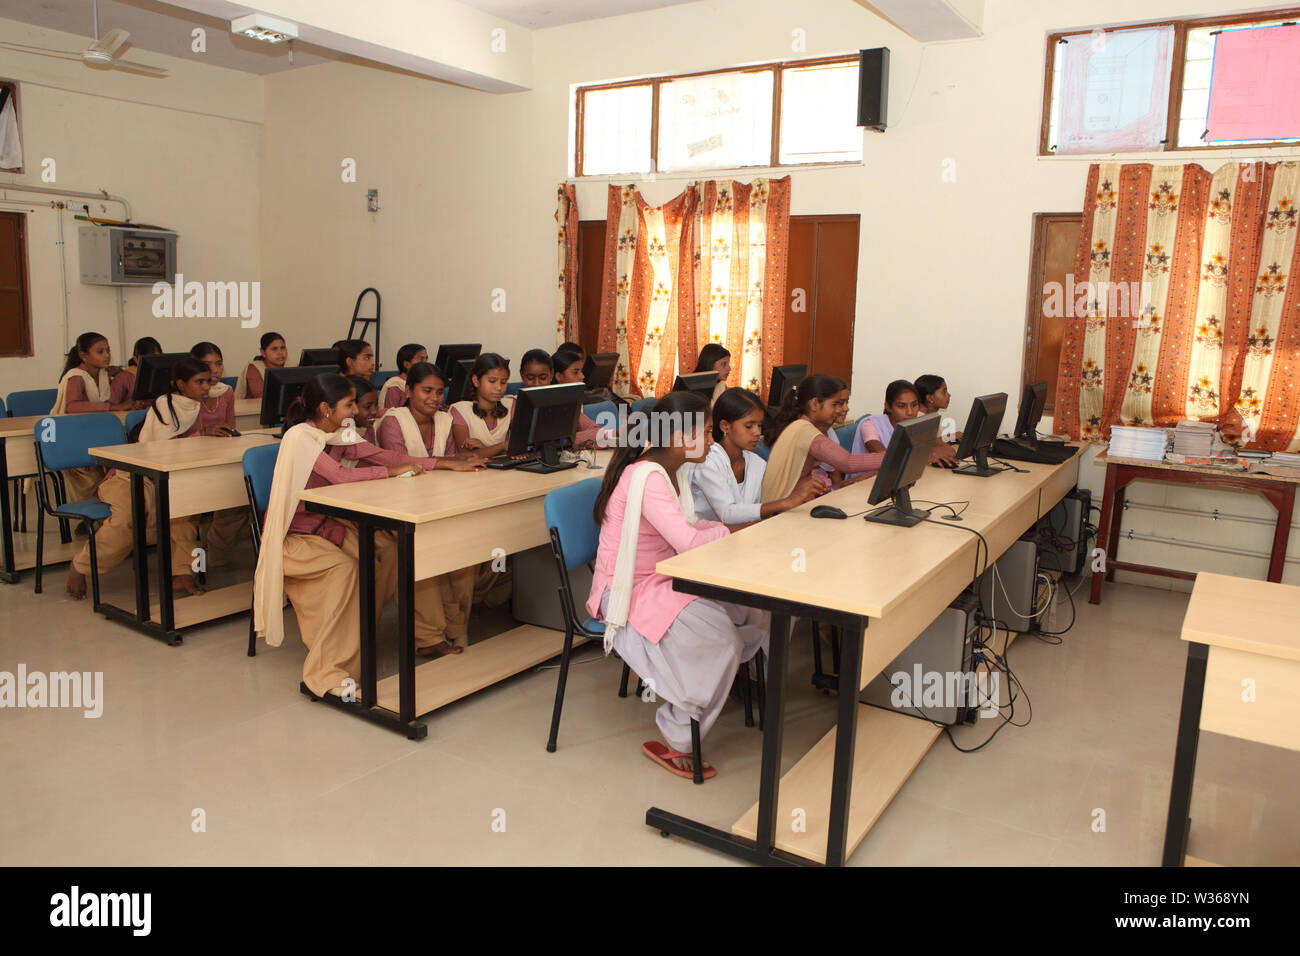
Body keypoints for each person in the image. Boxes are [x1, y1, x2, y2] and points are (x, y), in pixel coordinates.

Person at [587, 390, 768, 780]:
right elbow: (688, 541)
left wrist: (724, 530)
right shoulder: (648, 476)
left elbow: (689, 528)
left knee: (754, 609)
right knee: (724, 640)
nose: (710, 440)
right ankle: (678, 732)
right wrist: (729, 531)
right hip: (629, 588)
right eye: (704, 432)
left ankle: (707, 685)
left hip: (665, 572)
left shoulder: (674, 469)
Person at [252, 374, 472, 693]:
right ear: (326, 409)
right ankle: (328, 673)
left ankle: (415, 636)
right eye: (350, 404)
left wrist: (443, 464)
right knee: (345, 570)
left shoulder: (341, 433)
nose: (357, 411)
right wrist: (390, 473)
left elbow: (388, 456)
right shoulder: (301, 437)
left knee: (394, 549)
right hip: (292, 537)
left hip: (328, 526)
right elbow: (341, 476)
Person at [64, 357, 222, 600]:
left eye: (207, 382)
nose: (205, 387)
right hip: (130, 475)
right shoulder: (165, 404)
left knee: (185, 514)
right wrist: (201, 434)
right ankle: (81, 565)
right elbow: (159, 448)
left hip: (166, 477)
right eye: (199, 382)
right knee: (130, 516)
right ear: (180, 384)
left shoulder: (195, 406)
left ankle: (183, 573)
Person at [375, 361, 487, 654]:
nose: (434, 398)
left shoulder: (445, 420)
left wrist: (457, 463)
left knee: (465, 551)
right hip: (395, 510)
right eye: (426, 390)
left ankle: (456, 628)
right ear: (409, 390)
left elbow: (451, 463)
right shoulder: (392, 420)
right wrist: (448, 464)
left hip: (435, 504)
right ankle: (429, 637)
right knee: (422, 554)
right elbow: (398, 463)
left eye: (439, 392)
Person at [688, 387, 827, 524]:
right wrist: (784, 503)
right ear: (725, 426)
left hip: (742, 536)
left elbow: (766, 500)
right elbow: (727, 513)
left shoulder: (756, 463)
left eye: (759, 425)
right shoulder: (708, 461)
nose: (756, 432)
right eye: (749, 426)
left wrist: (800, 491)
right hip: (708, 541)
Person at [51, 332, 144, 510]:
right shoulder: (77, 376)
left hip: (89, 433)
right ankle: (89, 516)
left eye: (108, 350)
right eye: (100, 352)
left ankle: (111, 511)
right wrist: (113, 407)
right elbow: (72, 406)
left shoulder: (102, 374)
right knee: (94, 476)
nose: (107, 355)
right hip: (72, 437)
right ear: (83, 355)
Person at [761, 374, 889, 501]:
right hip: (779, 510)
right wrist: (893, 456)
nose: (838, 410)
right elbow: (847, 462)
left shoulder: (803, 425)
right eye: (834, 405)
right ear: (815, 404)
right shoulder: (805, 431)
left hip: (793, 500)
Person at [850, 379, 957, 470]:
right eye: (902, 406)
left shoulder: (915, 426)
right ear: (888, 406)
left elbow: (949, 450)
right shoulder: (870, 425)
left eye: (914, 405)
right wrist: (924, 457)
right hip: (863, 483)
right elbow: (886, 459)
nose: (910, 412)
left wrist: (931, 453)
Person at [449, 353, 514, 459]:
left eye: (503, 382)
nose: (498, 387)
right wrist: (502, 446)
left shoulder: (511, 405)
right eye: (492, 381)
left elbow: (520, 448)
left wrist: (484, 448)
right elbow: (466, 456)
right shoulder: (460, 411)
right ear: (476, 381)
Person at [237, 332, 288, 400]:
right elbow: (262, 397)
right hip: (253, 410)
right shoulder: (254, 368)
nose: (280, 352)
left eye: (283, 348)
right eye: (274, 349)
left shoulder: (291, 366)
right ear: (263, 353)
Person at [383, 343, 427, 409]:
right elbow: (390, 413)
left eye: (426, 358)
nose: (425, 362)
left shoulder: (424, 383)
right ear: (407, 364)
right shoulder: (395, 386)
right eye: (421, 359)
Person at [694, 343, 731, 409]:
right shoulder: (693, 388)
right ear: (710, 364)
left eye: (728, 364)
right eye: (724, 364)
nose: (729, 368)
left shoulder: (721, 385)